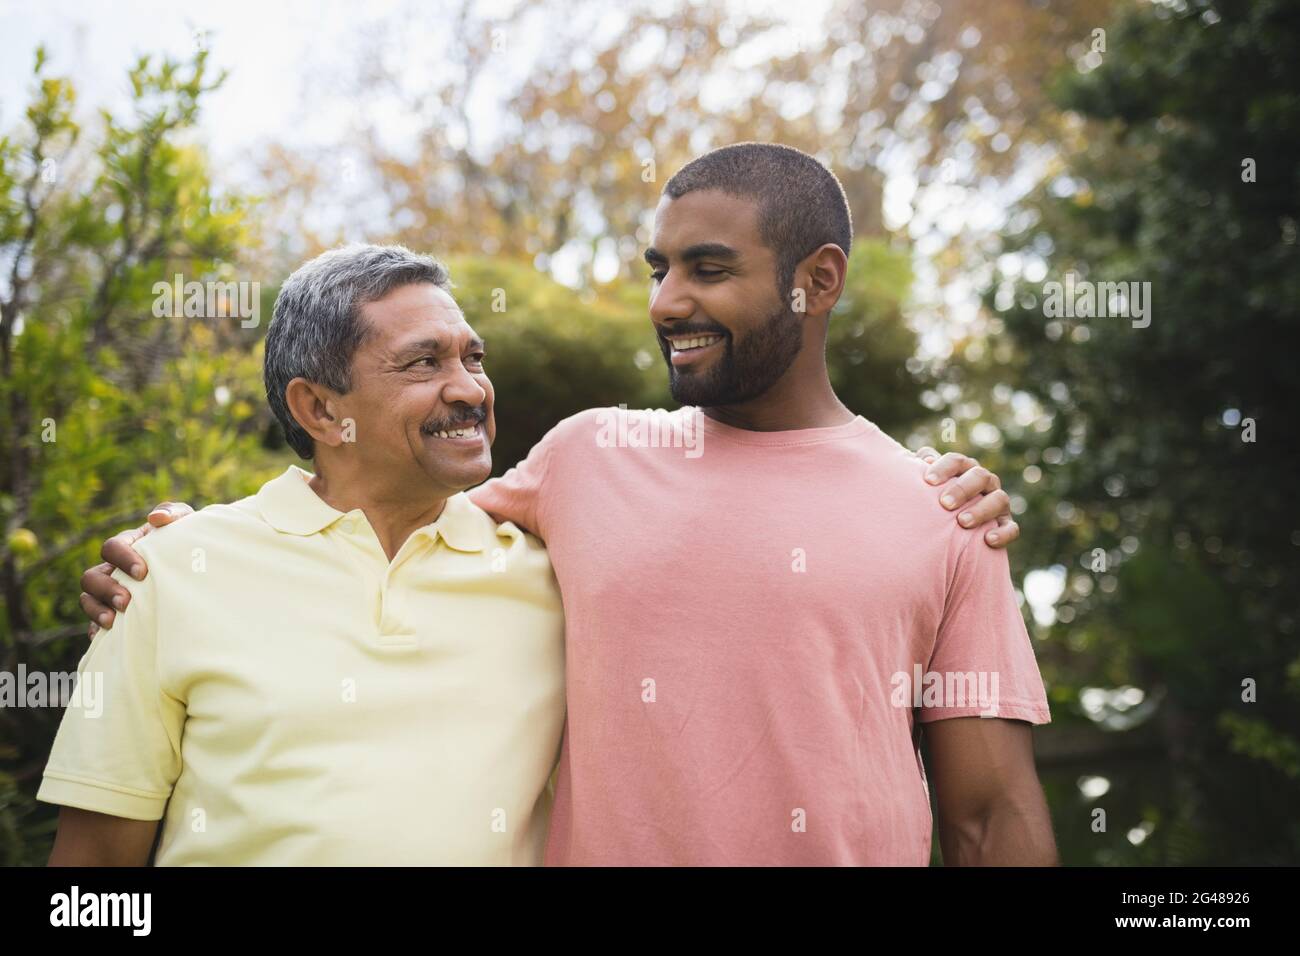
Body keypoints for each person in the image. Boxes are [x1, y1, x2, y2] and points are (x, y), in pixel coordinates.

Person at [77, 143, 1050, 866]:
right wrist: (185, 543)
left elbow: (991, 816)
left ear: (818, 280)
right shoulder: (588, 456)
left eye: (706, 268)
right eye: (657, 270)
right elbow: (375, 500)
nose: (667, 300)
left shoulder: (945, 514)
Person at [41, 246, 566, 865]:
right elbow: (91, 868)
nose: (470, 388)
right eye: (425, 363)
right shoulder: (166, 572)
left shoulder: (556, 578)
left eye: (472, 358)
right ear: (319, 409)